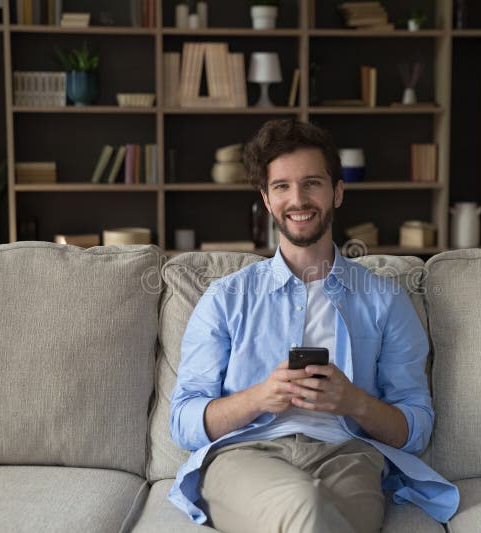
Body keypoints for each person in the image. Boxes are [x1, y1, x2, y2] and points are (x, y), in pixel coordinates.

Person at [168, 119, 459, 532]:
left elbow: (415, 429)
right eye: (282, 186)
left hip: (349, 456)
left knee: (317, 516)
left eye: (312, 183)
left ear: (337, 192)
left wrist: (353, 402)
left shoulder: (385, 299)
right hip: (247, 455)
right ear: (266, 199)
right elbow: (183, 421)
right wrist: (260, 397)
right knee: (304, 507)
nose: (298, 199)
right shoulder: (226, 299)